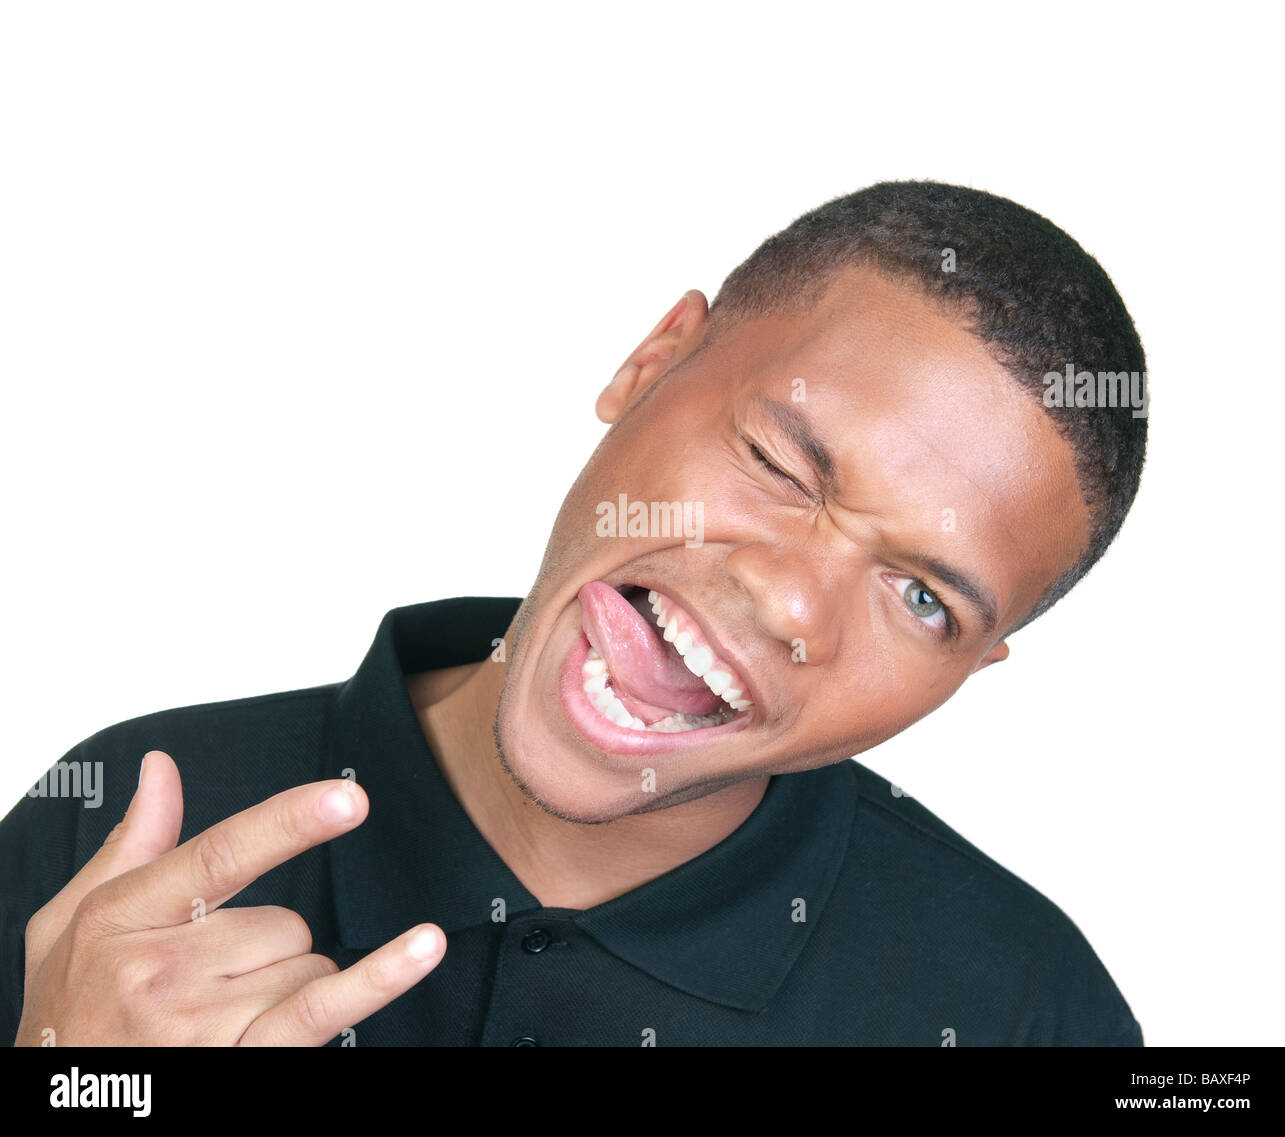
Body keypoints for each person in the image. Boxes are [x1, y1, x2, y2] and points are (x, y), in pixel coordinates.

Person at [3, 181, 1147, 1046]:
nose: (793, 596)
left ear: (972, 669)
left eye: (920, 598)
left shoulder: (1022, 1010)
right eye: (778, 463)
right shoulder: (121, 835)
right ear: (652, 363)